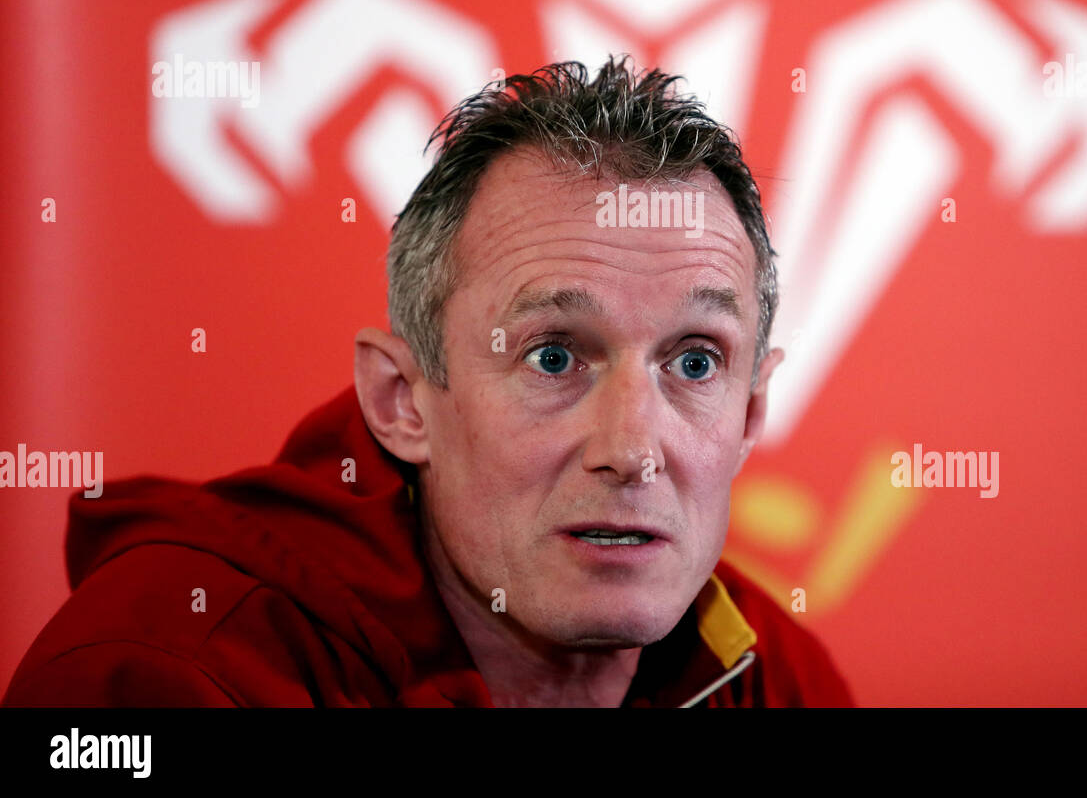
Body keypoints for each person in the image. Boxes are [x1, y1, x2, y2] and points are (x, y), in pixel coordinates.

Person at [4, 56, 854, 708]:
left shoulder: (769, 674)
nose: (632, 450)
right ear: (401, 401)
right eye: (554, 355)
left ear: (749, 415)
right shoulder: (167, 671)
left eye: (695, 361)